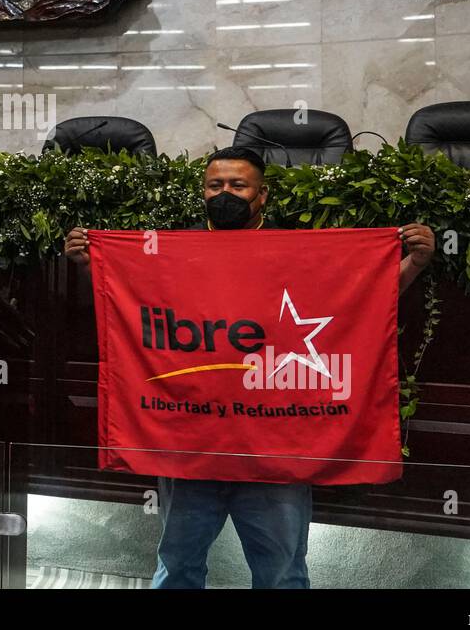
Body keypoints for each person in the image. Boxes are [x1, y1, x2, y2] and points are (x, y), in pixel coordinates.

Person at [63, 145, 434, 589]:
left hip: (276, 454)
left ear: (262, 196)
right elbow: (125, 303)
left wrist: (413, 264)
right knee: (177, 570)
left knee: (281, 576)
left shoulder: (298, 253)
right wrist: (91, 264)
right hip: (191, 448)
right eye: (215, 185)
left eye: (238, 185)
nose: (225, 193)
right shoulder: (169, 252)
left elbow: (359, 300)